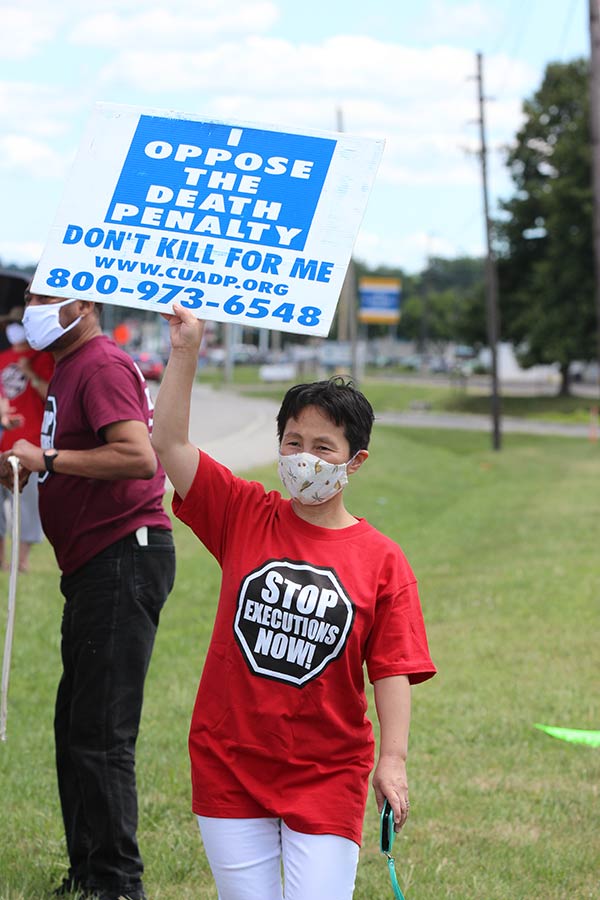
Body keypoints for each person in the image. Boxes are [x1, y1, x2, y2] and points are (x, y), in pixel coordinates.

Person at [151, 303, 436, 900]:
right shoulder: (243, 512)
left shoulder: (383, 560)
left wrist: (395, 760)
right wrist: (184, 352)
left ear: (355, 461)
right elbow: (169, 442)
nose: (304, 457)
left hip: (327, 772)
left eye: (324, 447)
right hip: (231, 760)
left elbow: (392, 669)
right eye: (293, 440)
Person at [0, 290, 176, 900]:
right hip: (95, 565)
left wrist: (46, 457)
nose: (32, 307)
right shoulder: (68, 366)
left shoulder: (99, 362)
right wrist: (34, 465)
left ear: (84, 302)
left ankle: (117, 885)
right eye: (29, 297)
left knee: (100, 733)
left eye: (44, 296)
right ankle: (89, 874)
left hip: (123, 555)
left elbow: (136, 456)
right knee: (76, 727)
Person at [0, 321, 54, 571]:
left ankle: (21, 562)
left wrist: (31, 373)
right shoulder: (2, 358)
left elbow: (52, 396)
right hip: (4, 442)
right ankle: (2, 561)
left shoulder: (43, 358)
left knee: (28, 507)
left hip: (31, 444)